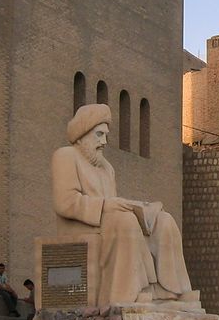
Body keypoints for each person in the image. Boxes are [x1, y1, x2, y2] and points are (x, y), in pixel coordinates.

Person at [51, 103, 192, 306]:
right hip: (80, 225)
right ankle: (129, 293)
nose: (104, 141)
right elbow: (65, 203)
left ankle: (170, 289)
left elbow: (113, 205)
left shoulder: (106, 168)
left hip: (106, 221)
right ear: (83, 134)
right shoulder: (65, 156)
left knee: (163, 220)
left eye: (105, 135)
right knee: (125, 222)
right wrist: (106, 206)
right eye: (99, 134)